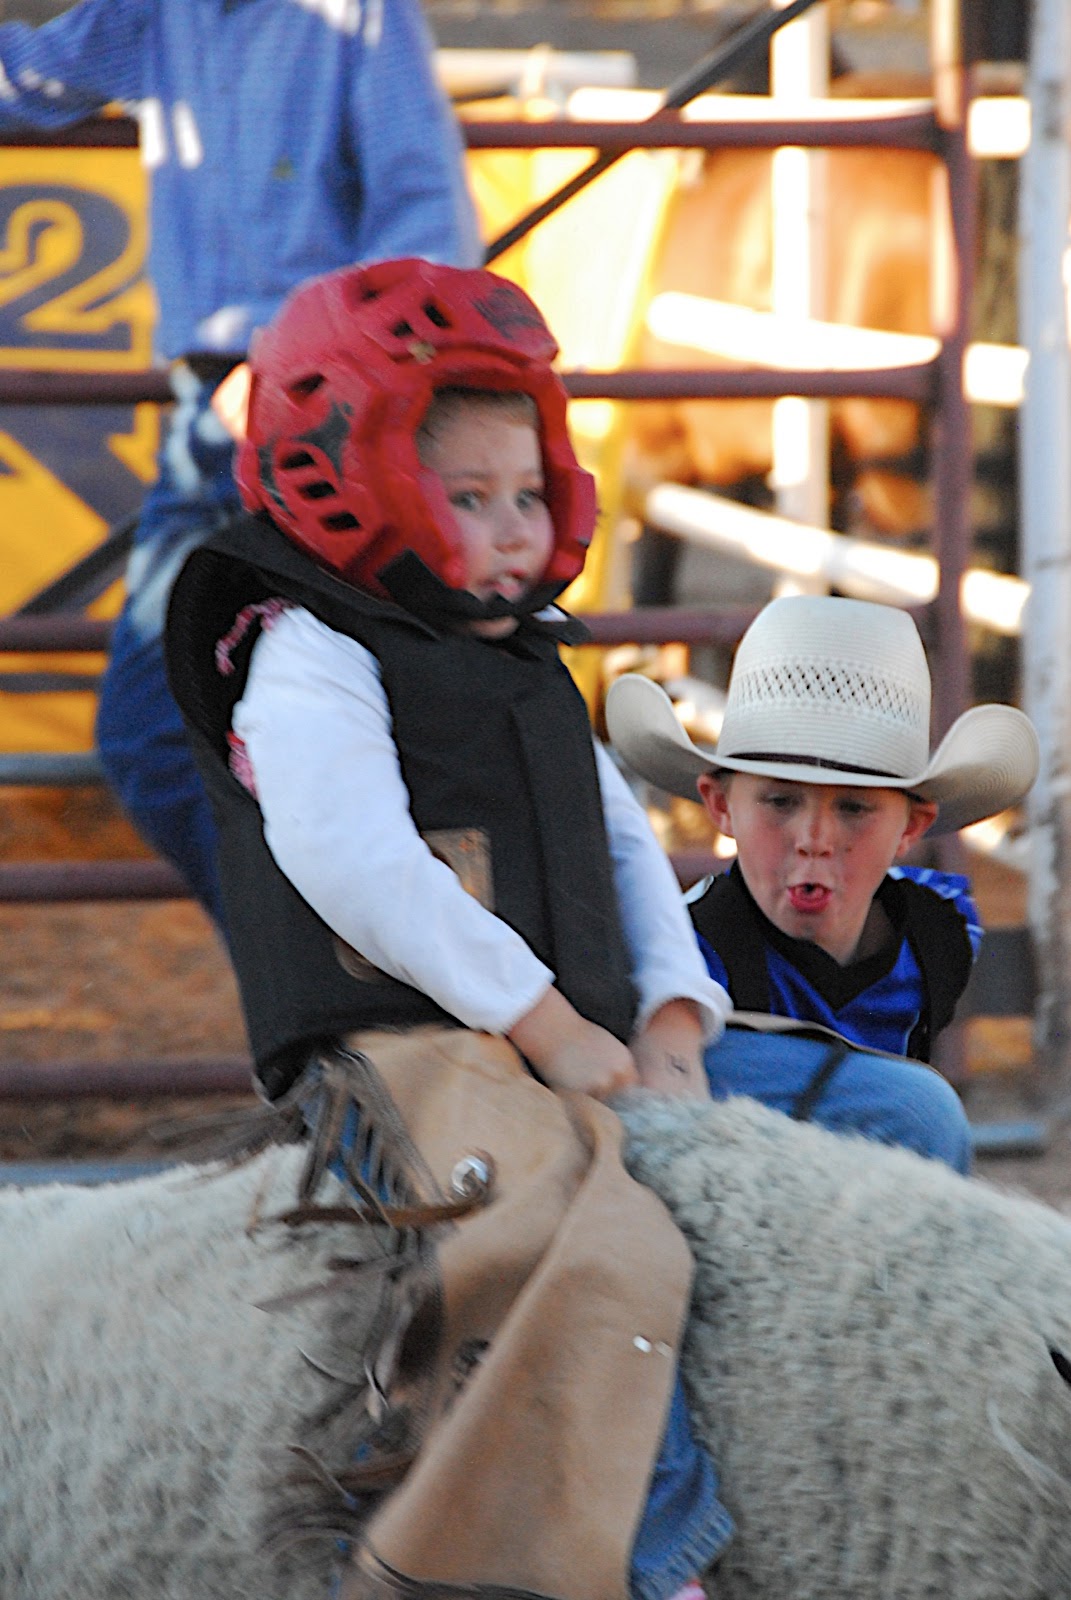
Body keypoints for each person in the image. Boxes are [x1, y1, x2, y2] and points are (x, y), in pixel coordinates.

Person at [164, 257, 735, 1600]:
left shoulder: (517, 652)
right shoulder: (305, 646)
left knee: (894, 1123)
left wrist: (667, 1017)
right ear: (349, 483)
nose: (511, 533)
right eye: (465, 500)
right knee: (602, 1247)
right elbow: (352, 858)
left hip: (575, 1041)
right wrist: (543, 1020)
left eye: (526, 495)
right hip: (407, 1057)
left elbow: (613, 841)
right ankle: (651, 1566)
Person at [0, 0, 480, 924]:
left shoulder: (354, 12)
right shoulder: (155, 12)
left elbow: (426, 220)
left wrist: (301, 366)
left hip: (327, 413)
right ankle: (332, 976)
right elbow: (26, 76)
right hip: (232, 416)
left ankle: (340, 982)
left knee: (182, 729)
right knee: (168, 734)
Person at [606, 593, 1041, 1174]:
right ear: (721, 805)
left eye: (855, 809)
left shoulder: (938, 928)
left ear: (911, 826)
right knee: (919, 1111)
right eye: (780, 802)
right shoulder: (684, 959)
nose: (814, 838)